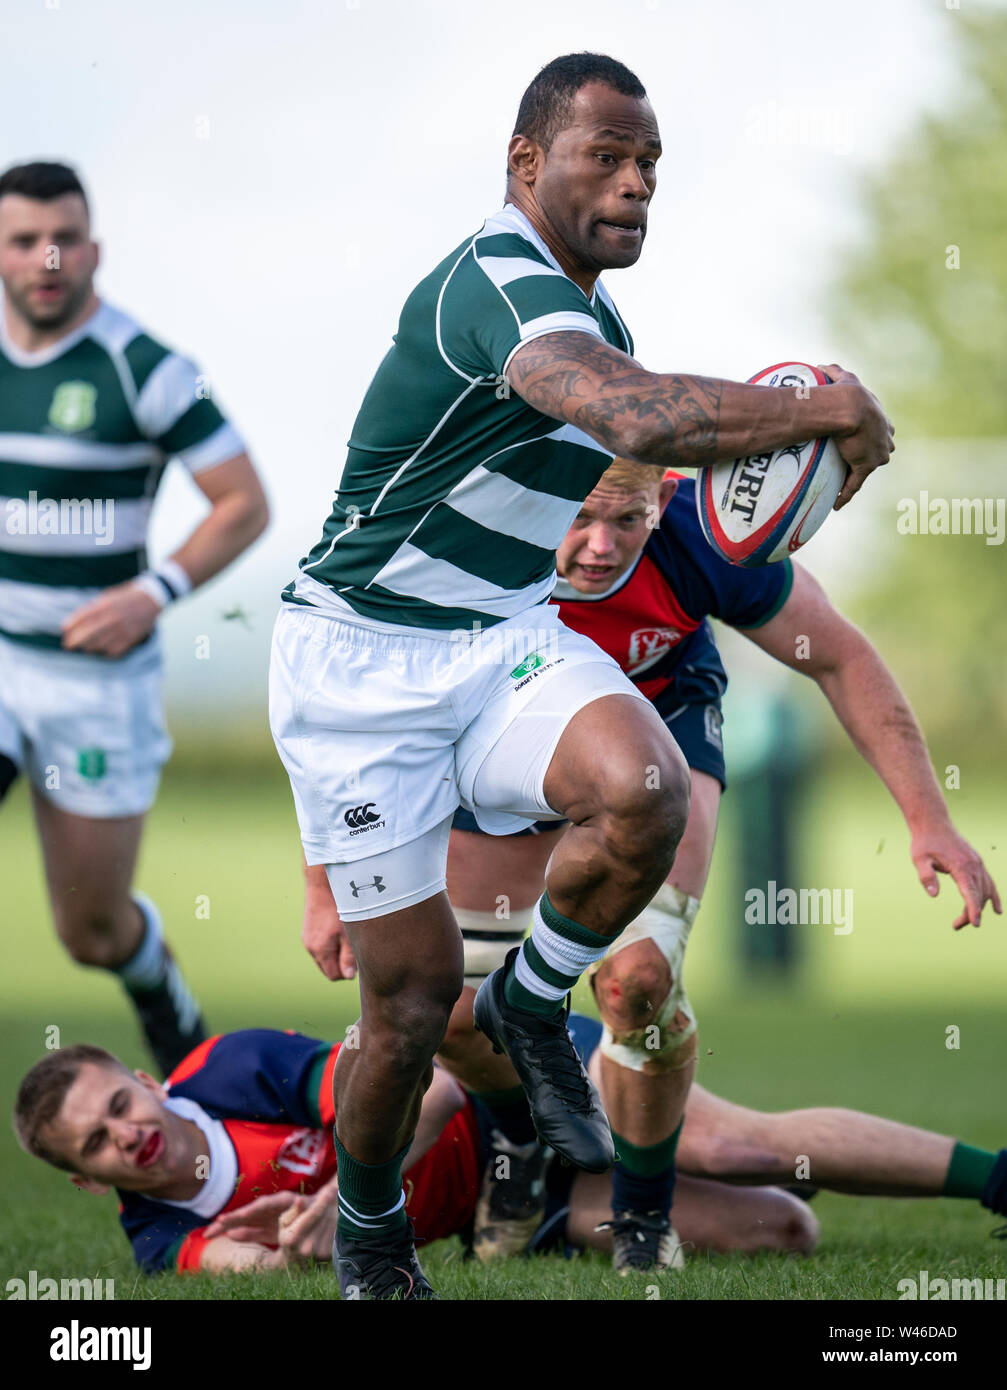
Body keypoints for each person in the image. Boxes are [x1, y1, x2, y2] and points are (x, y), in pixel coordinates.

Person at [269, 51, 893, 1299]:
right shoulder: (498, 283)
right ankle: (373, 1234)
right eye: (602, 155)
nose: (631, 182)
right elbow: (643, 420)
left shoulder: (594, 314)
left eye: (648, 164)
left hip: (498, 634)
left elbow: (657, 434)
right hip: (357, 655)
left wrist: (790, 462)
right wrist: (826, 406)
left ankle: (531, 1007)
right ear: (524, 165)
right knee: (405, 1003)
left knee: (644, 789)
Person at [303, 459, 999, 1272]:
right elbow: (344, 709)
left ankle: (640, 1217)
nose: (599, 548)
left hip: (655, 736)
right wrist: (322, 883)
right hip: (501, 748)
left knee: (637, 982)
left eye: (626, 521)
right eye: (577, 520)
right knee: (444, 1011)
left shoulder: (708, 543)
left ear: (663, 498)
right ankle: (520, 1141)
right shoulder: (466, 547)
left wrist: (928, 820)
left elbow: (837, 655)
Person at [13, 1020, 1007, 1285]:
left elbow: (432, 1081)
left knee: (733, 1143)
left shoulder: (231, 1071)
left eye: (117, 1104)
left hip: (506, 1092)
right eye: (96, 1143)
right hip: (510, 1211)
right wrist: (290, 1251)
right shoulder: (156, 1235)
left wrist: (358, 1195)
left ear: (147, 1080)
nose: (125, 1134)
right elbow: (253, 1267)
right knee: (779, 1236)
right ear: (82, 1176)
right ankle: (558, 1235)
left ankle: (995, 1177)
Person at [0, 161, 269, 1074]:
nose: (47, 258)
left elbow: (243, 502)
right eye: (24, 240)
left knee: (92, 928)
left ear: (92, 249)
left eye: (64, 239)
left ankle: (165, 1000)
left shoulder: (147, 369)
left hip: (97, 686)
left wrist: (151, 593)